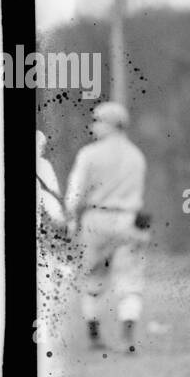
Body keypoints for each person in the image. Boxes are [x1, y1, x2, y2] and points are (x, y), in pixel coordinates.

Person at [65, 101, 147, 353]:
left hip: (96, 220)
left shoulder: (89, 154)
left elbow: (75, 194)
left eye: (97, 121)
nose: (93, 126)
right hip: (129, 220)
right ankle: (127, 335)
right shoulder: (137, 156)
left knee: (92, 277)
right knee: (130, 280)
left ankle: (93, 334)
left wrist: (70, 219)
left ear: (110, 125)